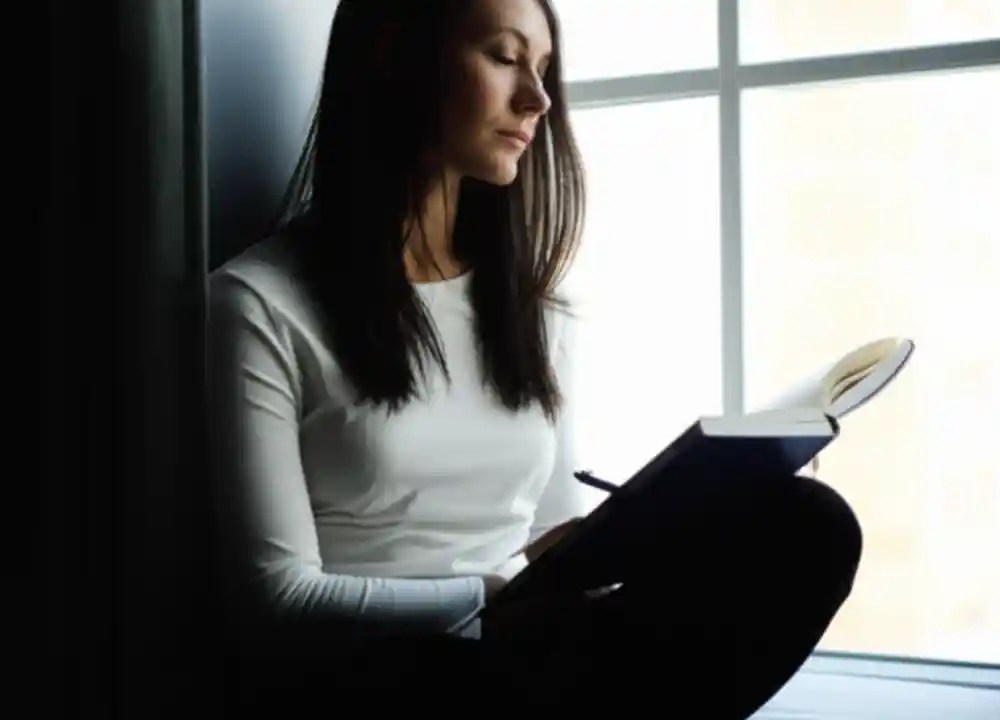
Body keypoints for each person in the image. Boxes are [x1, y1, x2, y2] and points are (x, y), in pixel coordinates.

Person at [205, 0, 863, 716]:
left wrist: (687, 509)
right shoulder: (257, 304)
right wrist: (494, 594)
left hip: (526, 651)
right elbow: (278, 598)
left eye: (544, 69)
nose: (539, 99)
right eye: (503, 56)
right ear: (397, 55)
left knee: (807, 524)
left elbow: (550, 539)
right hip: (378, 677)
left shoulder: (529, 311)